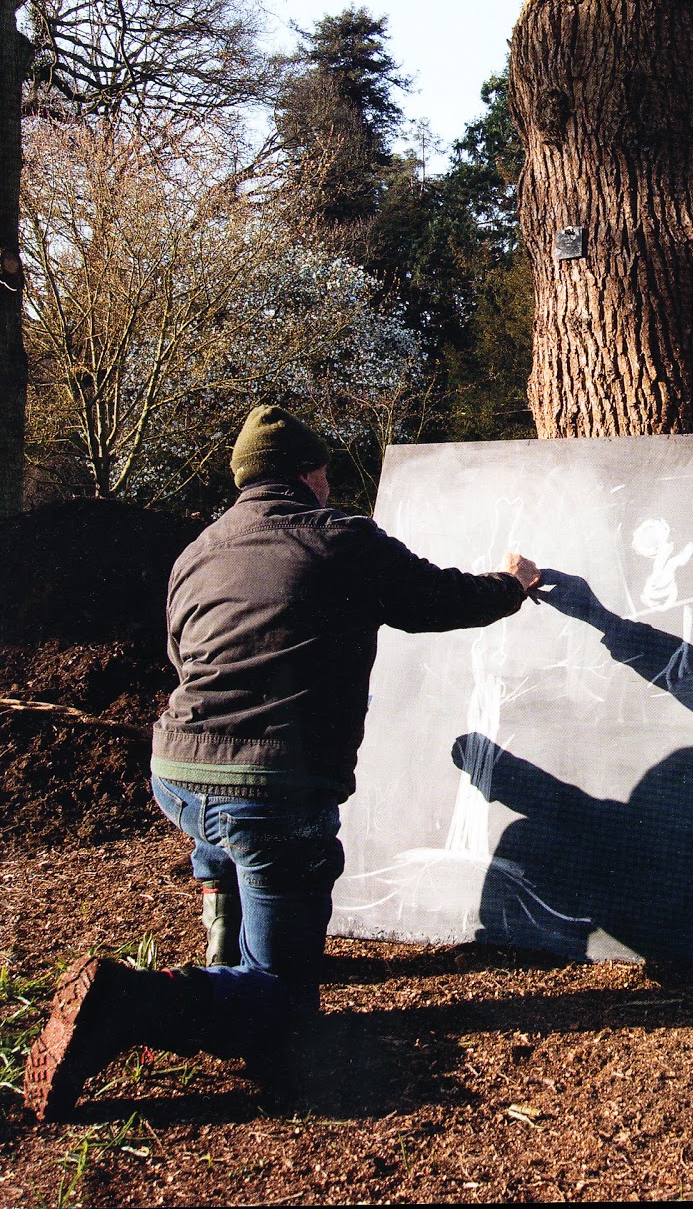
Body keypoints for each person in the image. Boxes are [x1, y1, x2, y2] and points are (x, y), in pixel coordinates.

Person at [24, 405, 540, 1121]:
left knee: (227, 834)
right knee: (288, 1007)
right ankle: (132, 1002)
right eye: (324, 472)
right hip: (269, 793)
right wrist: (512, 584)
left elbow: (183, 660)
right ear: (308, 474)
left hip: (176, 772)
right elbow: (438, 598)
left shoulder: (199, 550)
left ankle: (222, 943)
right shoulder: (338, 539)